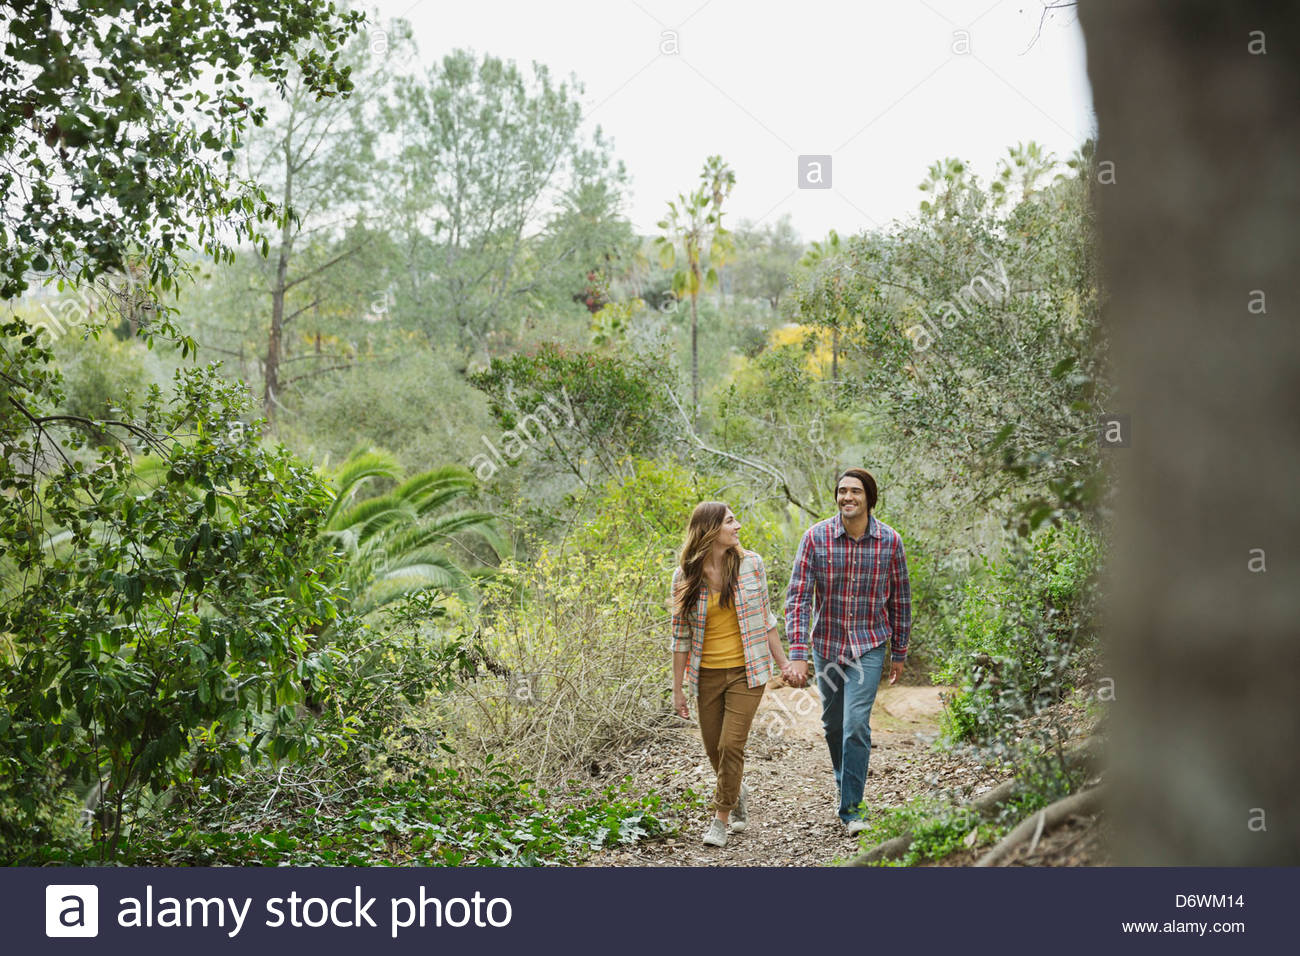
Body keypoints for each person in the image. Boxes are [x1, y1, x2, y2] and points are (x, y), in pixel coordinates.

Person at [783, 468, 912, 836]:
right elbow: (798, 598)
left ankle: (852, 810)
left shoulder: (890, 541)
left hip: (869, 643)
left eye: (855, 491)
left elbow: (900, 598)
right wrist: (797, 652)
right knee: (833, 725)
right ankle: (847, 784)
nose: (847, 497)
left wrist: (899, 650)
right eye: (841, 491)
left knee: (856, 725)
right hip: (827, 645)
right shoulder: (816, 538)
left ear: (869, 498)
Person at [670, 501, 800, 847]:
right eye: (731, 521)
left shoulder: (751, 565)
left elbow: (767, 620)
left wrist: (784, 664)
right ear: (711, 529)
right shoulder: (685, 575)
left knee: (731, 745)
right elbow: (679, 637)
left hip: (748, 671)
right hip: (706, 675)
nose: (738, 526)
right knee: (714, 749)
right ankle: (736, 792)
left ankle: (721, 818)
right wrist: (677, 690)